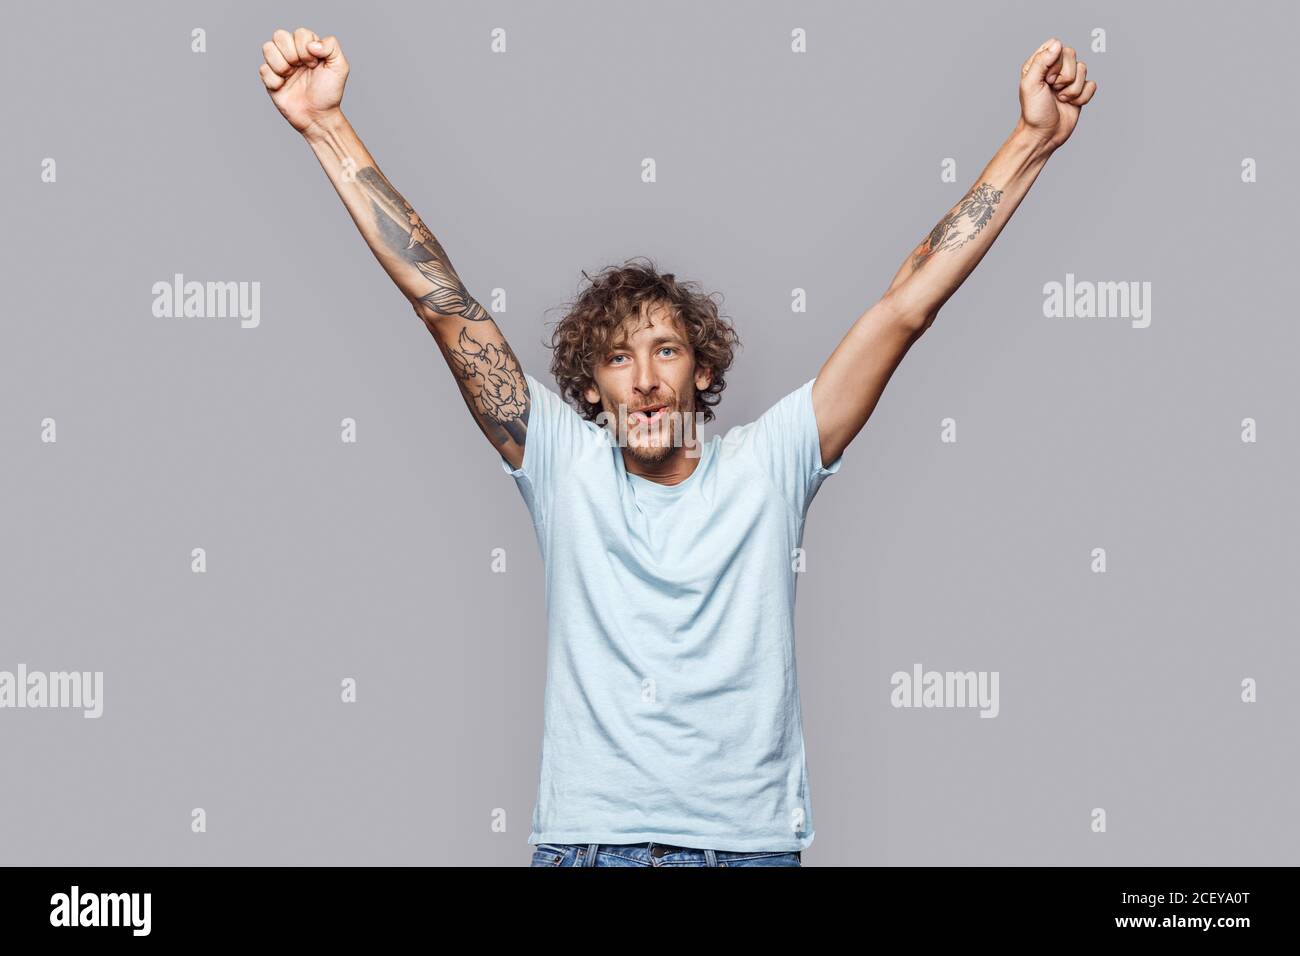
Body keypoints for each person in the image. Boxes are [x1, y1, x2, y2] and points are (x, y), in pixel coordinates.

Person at [258, 27, 1096, 868]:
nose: (646, 378)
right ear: (590, 388)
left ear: (701, 371)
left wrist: (1032, 140)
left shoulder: (771, 466)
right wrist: (326, 126)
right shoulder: (561, 464)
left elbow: (905, 306)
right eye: (618, 358)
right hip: (591, 845)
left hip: (745, 850)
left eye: (666, 351)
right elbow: (443, 301)